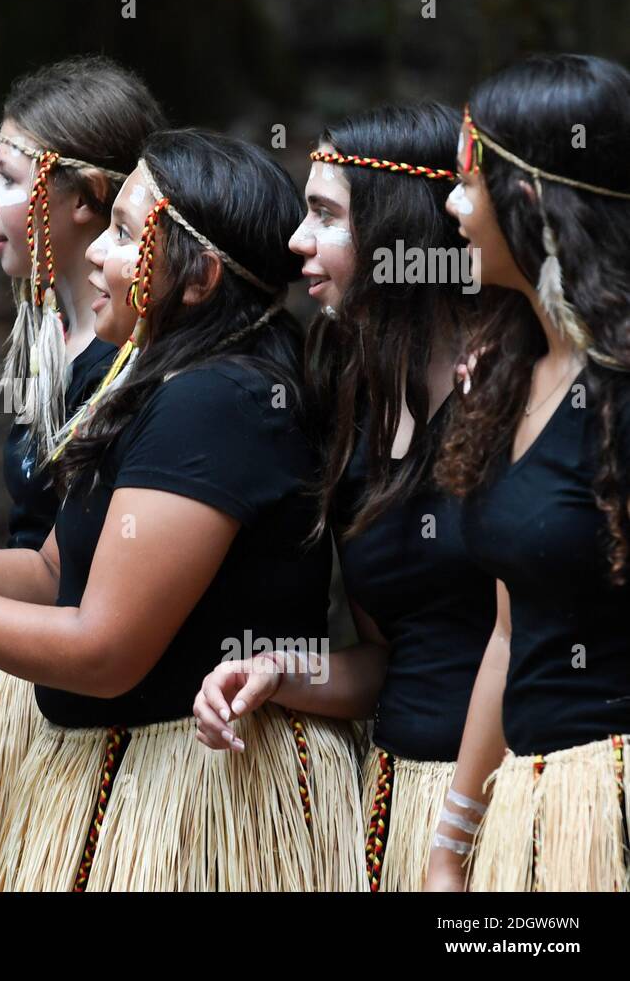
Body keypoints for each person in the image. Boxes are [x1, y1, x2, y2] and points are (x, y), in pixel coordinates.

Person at [0, 130, 367, 891]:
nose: (94, 255)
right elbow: (55, 574)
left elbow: (105, 652)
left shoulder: (219, 402)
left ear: (200, 278)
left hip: (200, 797)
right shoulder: (150, 379)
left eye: (123, 233)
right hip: (128, 773)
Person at [193, 103, 496, 892]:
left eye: (326, 215)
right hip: (400, 805)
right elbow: (388, 661)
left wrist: (461, 833)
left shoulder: (516, 390)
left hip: (513, 810)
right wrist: (277, 672)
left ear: (399, 228)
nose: (298, 240)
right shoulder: (353, 401)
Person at [425, 53, 630, 892]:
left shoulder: (621, 392)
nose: (451, 204)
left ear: (532, 200)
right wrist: (451, 845)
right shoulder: (508, 372)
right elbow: (510, 633)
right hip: (533, 818)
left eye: (468, 182)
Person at [0, 56, 165, 888]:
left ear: (84, 198)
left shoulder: (136, 368)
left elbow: (71, 577)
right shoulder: (49, 328)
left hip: (111, 726)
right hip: (35, 689)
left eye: (9, 179)